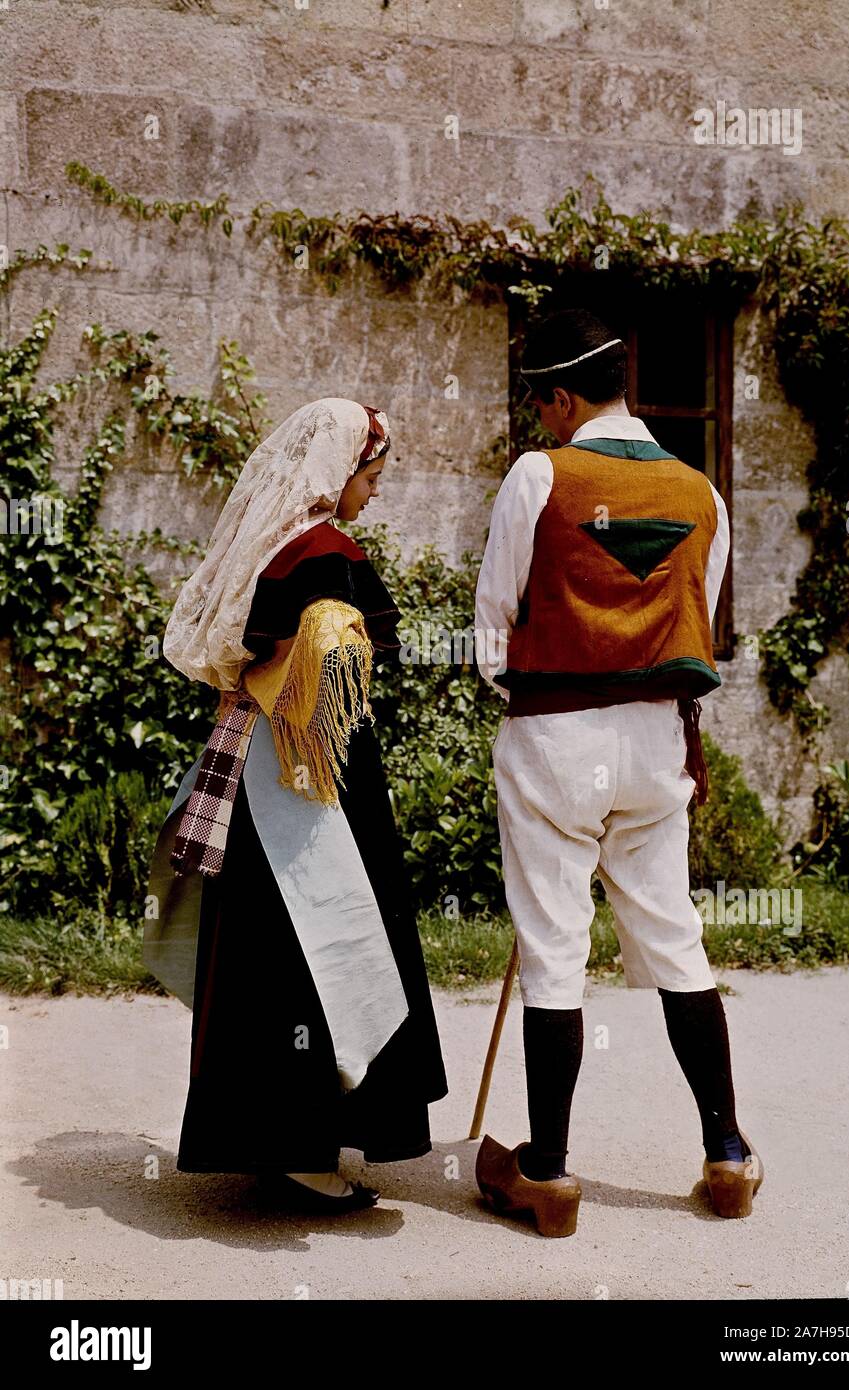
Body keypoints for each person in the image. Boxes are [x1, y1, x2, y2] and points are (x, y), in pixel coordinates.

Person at [472, 309, 763, 1237]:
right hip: (656, 742)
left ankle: (549, 1175)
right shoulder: (700, 490)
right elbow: (700, 625)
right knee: (675, 939)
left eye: (543, 406)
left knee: (555, 946)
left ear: (561, 396)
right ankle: (725, 1155)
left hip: (554, 738)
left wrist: (529, 682)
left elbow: (490, 630)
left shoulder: (538, 474)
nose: (543, 423)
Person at [145, 398, 448, 1214]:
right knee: (318, 942)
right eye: (373, 476)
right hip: (310, 774)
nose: (374, 492)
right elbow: (339, 673)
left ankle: (264, 1135)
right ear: (340, 470)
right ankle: (303, 1149)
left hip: (252, 757)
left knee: (262, 948)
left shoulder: (269, 546)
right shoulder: (325, 552)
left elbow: (253, 653)